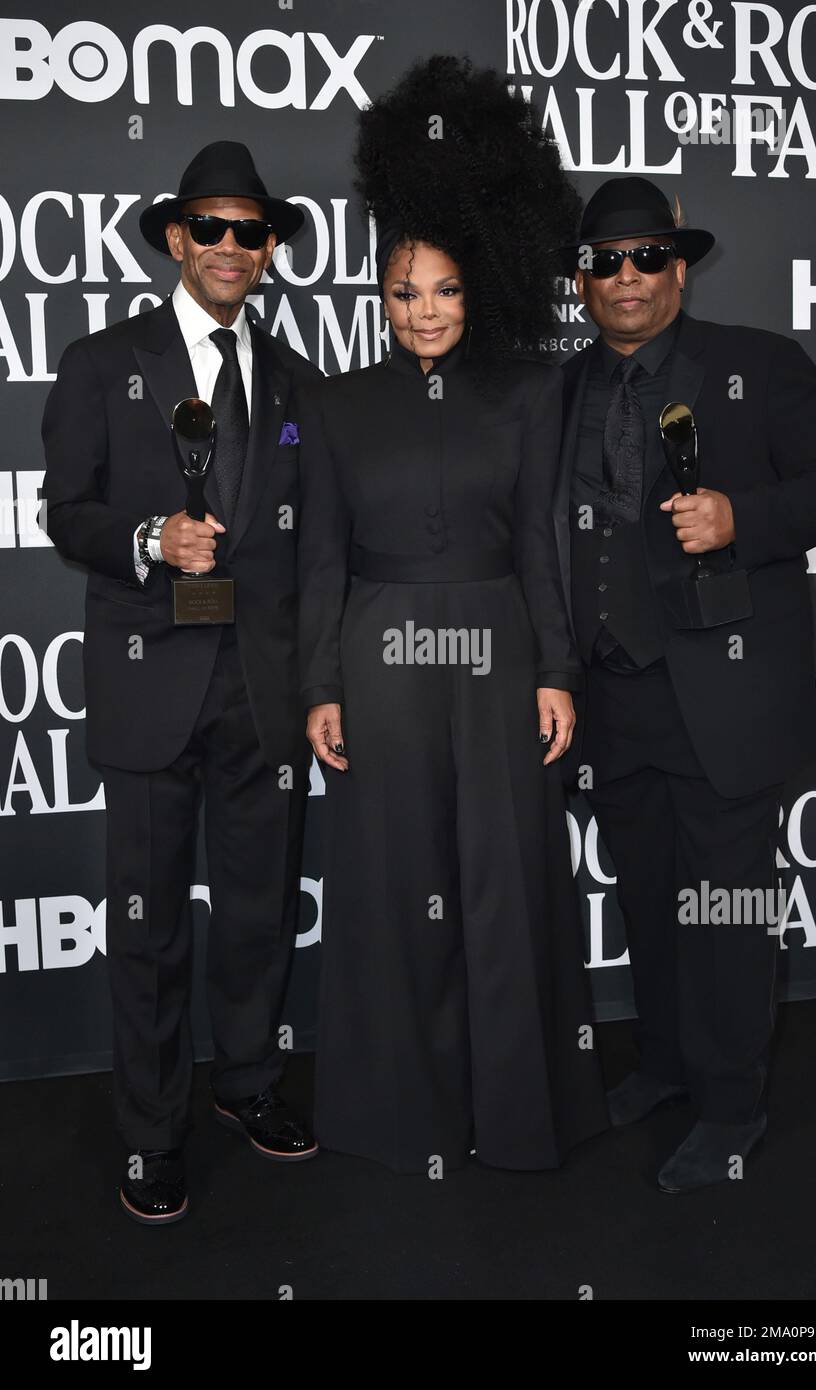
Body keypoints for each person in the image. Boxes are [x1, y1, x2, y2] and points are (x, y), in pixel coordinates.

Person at [297, 56, 608, 1174]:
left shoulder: (531, 393)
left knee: (504, 882)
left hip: (500, 660)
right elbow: (321, 560)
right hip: (379, 662)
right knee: (391, 887)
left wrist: (557, 670)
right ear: (378, 300)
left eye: (443, 290)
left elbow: (541, 547)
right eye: (402, 292)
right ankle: (401, 1119)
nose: (423, 311)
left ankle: (516, 1114)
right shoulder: (334, 406)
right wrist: (323, 683)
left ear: (475, 289)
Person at [554, 175, 816, 1192]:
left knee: (725, 907)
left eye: (649, 256)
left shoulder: (759, 364)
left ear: (680, 268)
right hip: (612, 696)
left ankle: (734, 1105)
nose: (628, 277)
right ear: (582, 281)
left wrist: (744, 518)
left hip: (725, 698)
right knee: (648, 897)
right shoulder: (559, 391)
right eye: (606, 261)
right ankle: (669, 1064)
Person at [42, 141, 322, 1225]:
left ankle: (247, 1084)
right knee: (150, 927)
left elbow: (307, 543)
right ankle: (152, 1133)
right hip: (150, 679)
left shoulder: (294, 380)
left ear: (268, 249)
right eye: (212, 226)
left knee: (258, 911)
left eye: (251, 231)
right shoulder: (102, 360)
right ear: (175, 237)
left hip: (263, 687)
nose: (232, 248)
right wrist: (154, 536)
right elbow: (67, 510)